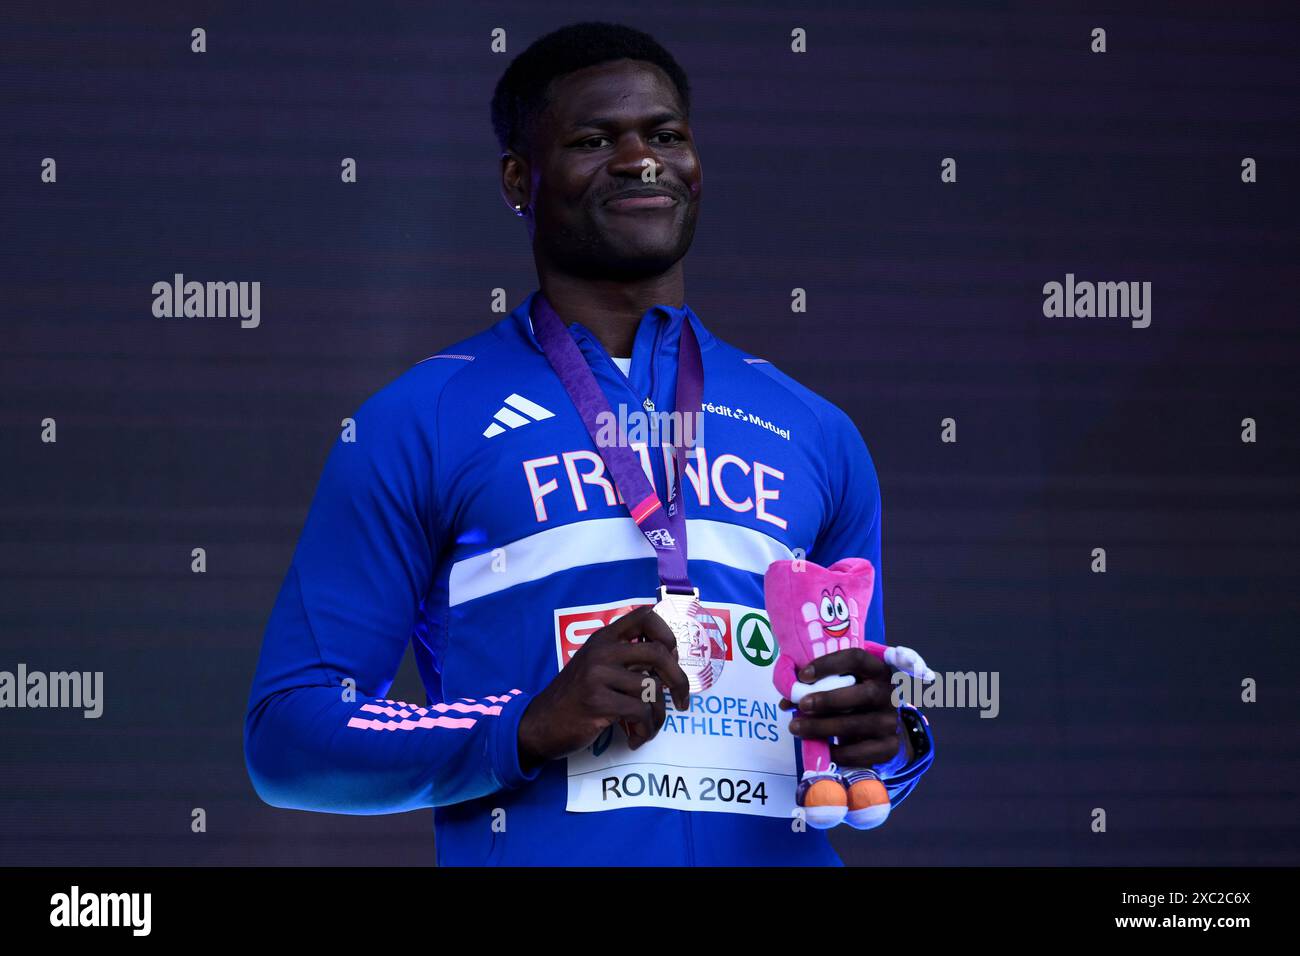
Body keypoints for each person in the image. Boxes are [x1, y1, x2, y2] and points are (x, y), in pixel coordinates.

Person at [244, 20, 935, 866]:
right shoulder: (419, 418)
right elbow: (291, 735)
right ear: (517, 179)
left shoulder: (817, 431)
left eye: (666, 135)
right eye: (593, 139)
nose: (641, 159)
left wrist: (885, 742)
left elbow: (849, 728)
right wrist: (527, 725)